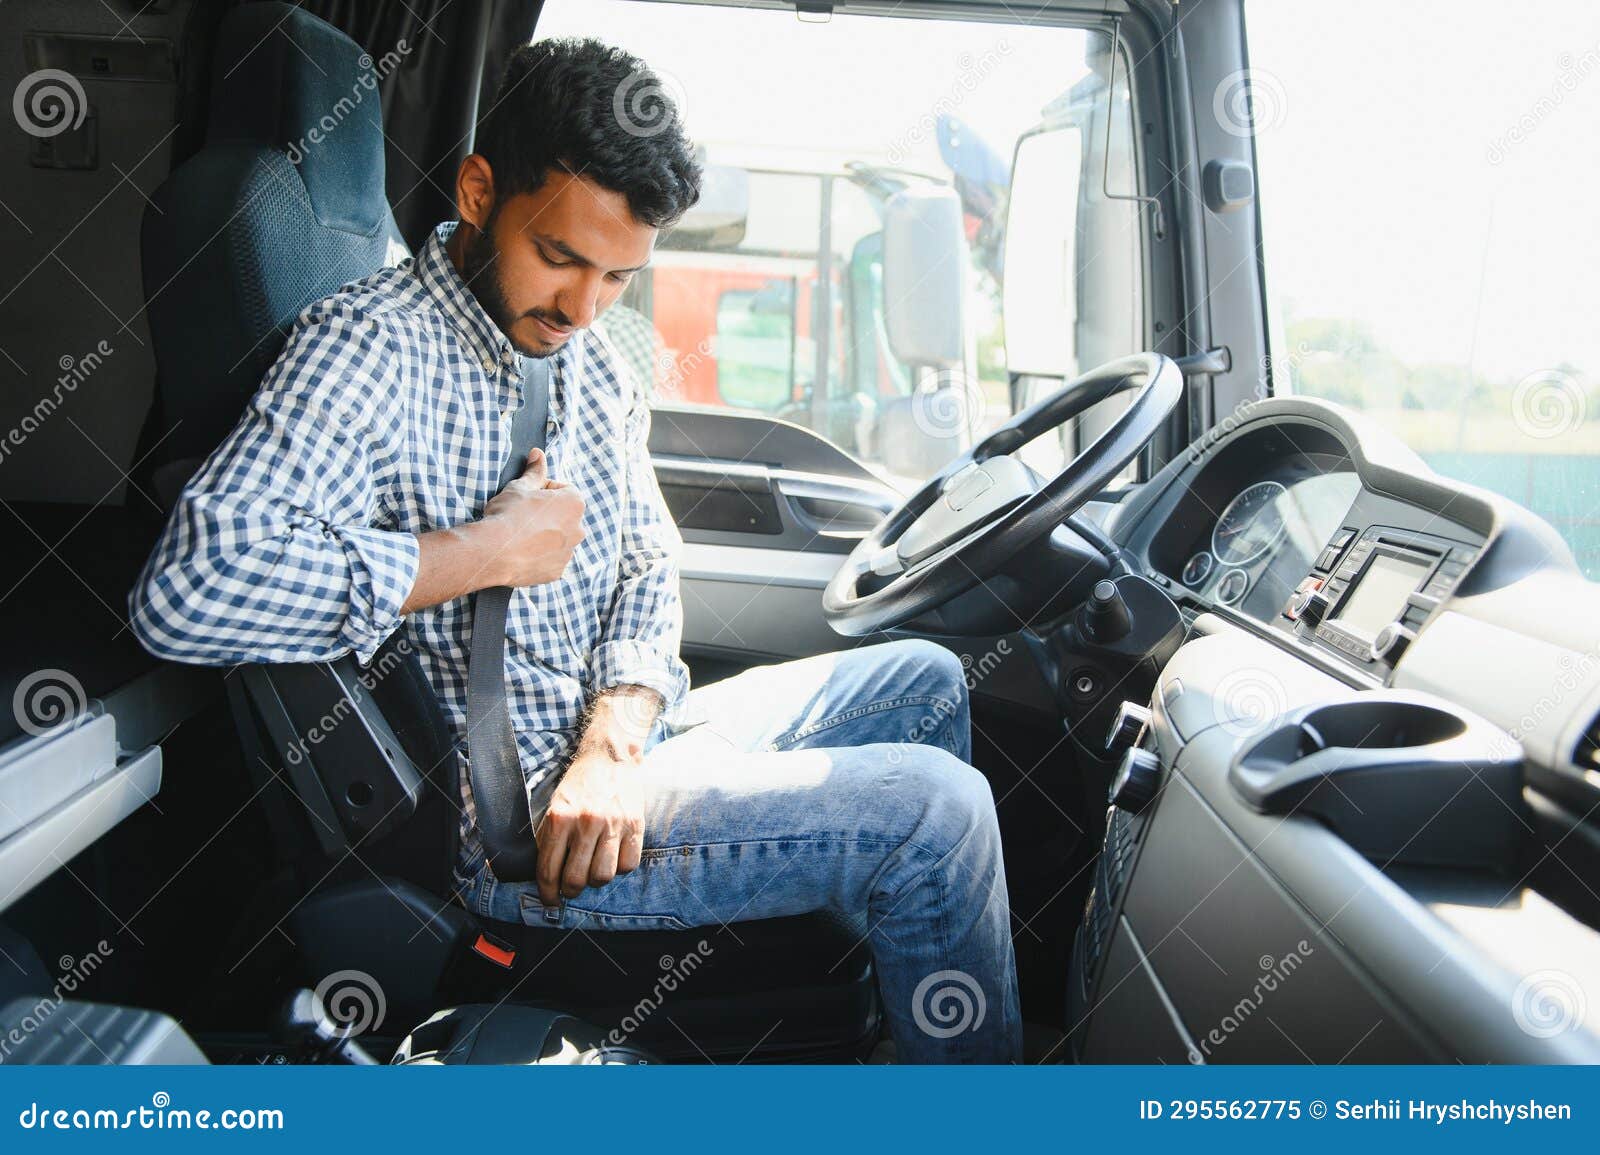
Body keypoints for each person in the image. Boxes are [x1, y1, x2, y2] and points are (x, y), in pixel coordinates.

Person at [128, 37, 1019, 1063]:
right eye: (558, 258)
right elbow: (187, 589)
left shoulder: (589, 365)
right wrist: (483, 552)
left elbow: (645, 565)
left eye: (619, 277)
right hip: (516, 834)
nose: (583, 308)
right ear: (477, 191)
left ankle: (888, 1013)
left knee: (923, 676)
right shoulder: (368, 350)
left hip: (606, 759)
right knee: (935, 816)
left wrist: (613, 746)